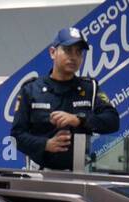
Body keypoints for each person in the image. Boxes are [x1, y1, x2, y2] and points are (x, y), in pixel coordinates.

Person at [10, 27, 120, 170]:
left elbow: (113, 121)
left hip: (80, 175)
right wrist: (46, 144)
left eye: (78, 52)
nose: (73, 57)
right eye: (68, 50)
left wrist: (79, 119)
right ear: (52, 53)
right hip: (40, 177)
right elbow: (17, 136)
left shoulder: (89, 88)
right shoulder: (31, 89)